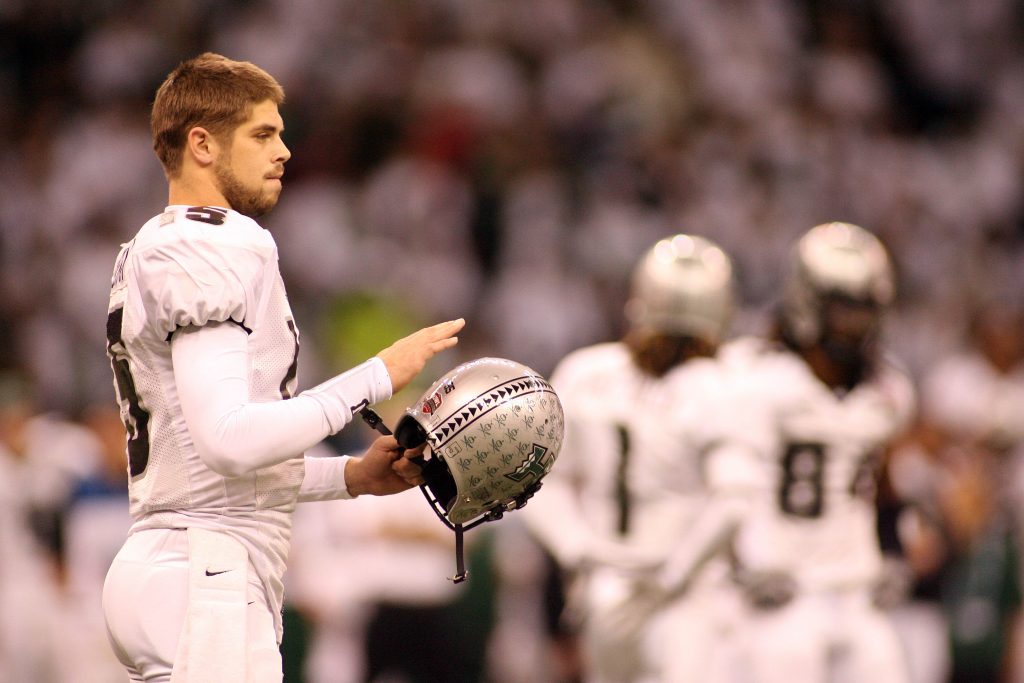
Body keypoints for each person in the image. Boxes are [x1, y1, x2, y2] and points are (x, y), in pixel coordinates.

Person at [100, 53, 465, 683]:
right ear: (203, 144)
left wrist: (349, 477)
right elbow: (229, 442)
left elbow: (208, 465)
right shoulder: (216, 242)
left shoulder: (165, 241)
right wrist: (377, 374)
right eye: (263, 134)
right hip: (204, 575)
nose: (285, 151)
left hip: (182, 564)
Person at [650, 222, 916, 682]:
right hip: (778, 590)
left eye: (863, 310)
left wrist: (893, 550)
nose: (854, 325)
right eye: (842, 309)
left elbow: (882, 482)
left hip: (855, 588)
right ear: (807, 301)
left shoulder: (888, 390)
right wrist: (740, 561)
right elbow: (715, 482)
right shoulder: (754, 378)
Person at [520, 233, 738, 683]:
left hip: (623, 581)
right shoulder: (725, 383)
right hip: (682, 585)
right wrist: (578, 546)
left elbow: (543, 484)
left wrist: (577, 546)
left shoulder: (589, 373)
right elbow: (736, 498)